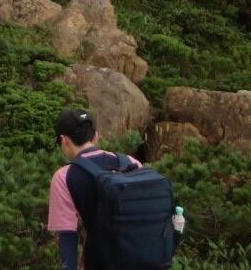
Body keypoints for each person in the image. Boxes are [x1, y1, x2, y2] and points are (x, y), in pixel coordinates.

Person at [47, 108, 179, 270]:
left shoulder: (64, 177)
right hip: (148, 260)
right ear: (95, 136)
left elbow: (67, 236)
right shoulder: (130, 162)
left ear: (64, 140)